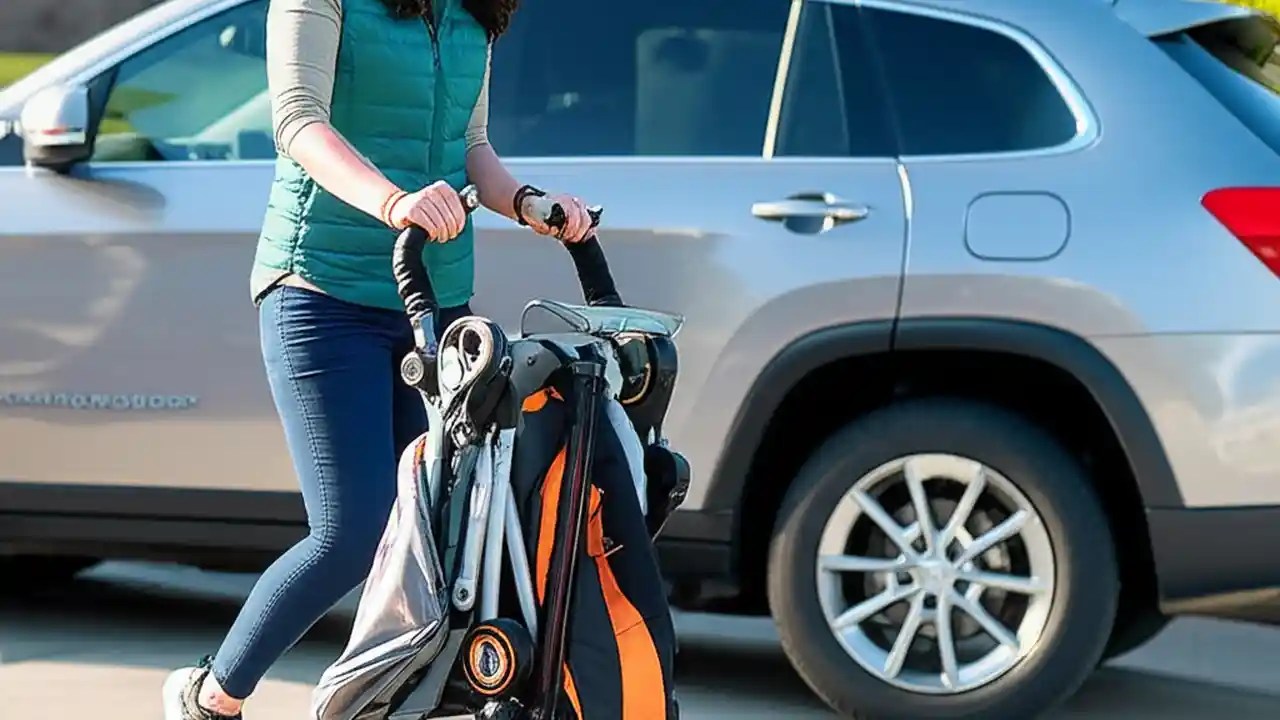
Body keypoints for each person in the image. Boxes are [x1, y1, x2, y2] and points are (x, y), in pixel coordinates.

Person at [161, 0, 596, 717]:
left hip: (435, 301)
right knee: (353, 529)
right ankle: (213, 696)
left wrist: (528, 203)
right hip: (321, 291)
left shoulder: (474, 10)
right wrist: (394, 202)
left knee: (443, 532)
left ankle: (391, 699)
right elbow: (298, 120)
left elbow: (472, 146)